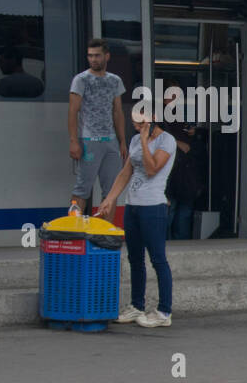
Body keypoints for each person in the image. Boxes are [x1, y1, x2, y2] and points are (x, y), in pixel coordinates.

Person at [96, 102, 176, 328]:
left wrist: (144, 139)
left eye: (140, 122)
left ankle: (164, 311)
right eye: (134, 122)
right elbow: (125, 173)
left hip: (154, 206)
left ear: (152, 119)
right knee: (135, 258)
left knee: (158, 258)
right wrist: (110, 199)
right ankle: (137, 305)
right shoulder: (133, 141)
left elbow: (151, 169)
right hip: (133, 206)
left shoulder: (166, 140)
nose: (136, 126)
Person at [68, 39, 127, 214]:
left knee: (111, 192)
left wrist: (122, 141)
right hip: (89, 140)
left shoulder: (115, 80)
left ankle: (105, 237)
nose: (93, 59)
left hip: (110, 141)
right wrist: (74, 141)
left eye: (97, 55)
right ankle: (75, 232)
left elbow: (118, 112)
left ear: (106, 56)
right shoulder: (81, 79)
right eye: (90, 56)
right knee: (82, 188)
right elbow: (72, 111)